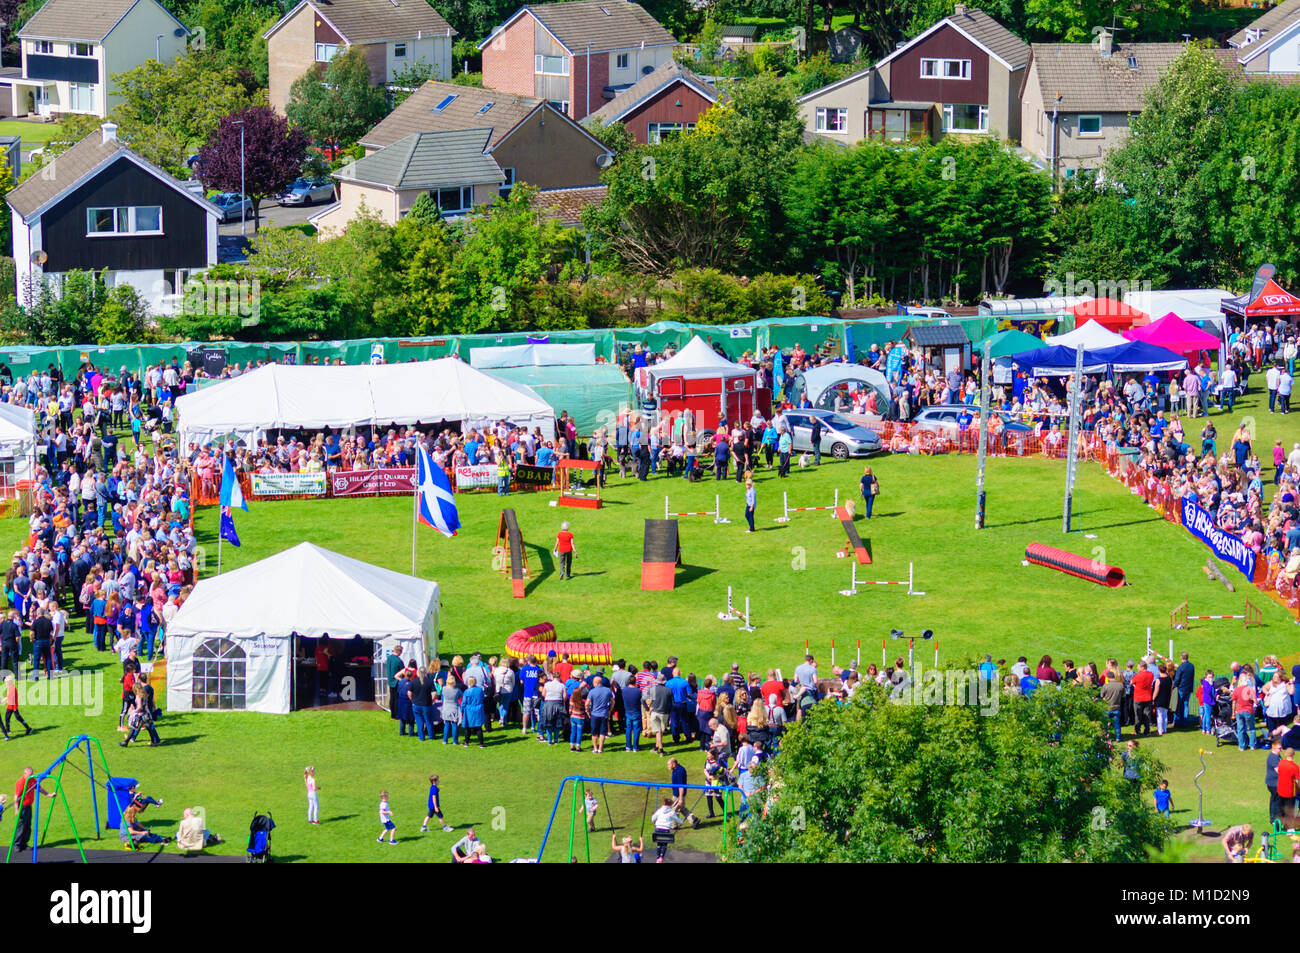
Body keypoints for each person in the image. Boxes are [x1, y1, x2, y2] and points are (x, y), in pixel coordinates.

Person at [12, 767, 48, 853]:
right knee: (21, 826)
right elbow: (16, 797)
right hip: (22, 807)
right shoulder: (21, 782)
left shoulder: (32, 780)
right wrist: (16, 809)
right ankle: (17, 844)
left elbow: (39, 788)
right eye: (30, 775)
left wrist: (48, 794)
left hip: (29, 806)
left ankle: (24, 844)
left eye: (32, 774)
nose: (31, 776)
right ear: (25, 774)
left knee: (28, 825)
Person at [587, 675, 613, 754]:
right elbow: (613, 701)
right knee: (602, 732)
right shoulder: (608, 690)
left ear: (596, 683)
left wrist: (587, 711)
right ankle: (600, 748)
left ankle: (595, 748)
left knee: (594, 732)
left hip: (594, 714)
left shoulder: (592, 691)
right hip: (604, 714)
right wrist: (610, 710)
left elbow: (587, 703)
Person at [650, 796, 681, 863]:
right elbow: (678, 820)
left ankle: (658, 858)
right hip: (666, 829)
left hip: (658, 828)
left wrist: (655, 822)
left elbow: (652, 819)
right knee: (664, 844)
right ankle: (661, 857)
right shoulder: (671, 812)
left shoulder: (659, 811)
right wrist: (681, 822)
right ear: (670, 805)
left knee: (659, 844)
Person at [1233, 672, 1258, 751]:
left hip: (1239, 711)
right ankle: (1252, 745)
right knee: (1251, 729)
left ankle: (1242, 746)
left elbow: (1234, 702)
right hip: (1248, 710)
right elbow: (1255, 701)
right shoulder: (1250, 689)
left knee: (1240, 729)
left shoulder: (1236, 690)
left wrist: (1233, 712)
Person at [3, 674, 32, 740]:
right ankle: (7, 730)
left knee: (18, 718)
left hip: (13, 707)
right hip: (10, 705)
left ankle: (28, 728)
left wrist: (2, 701)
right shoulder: (10, 687)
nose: (5, 683)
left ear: (10, 682)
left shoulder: (12, 688)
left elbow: (9, 697)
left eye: (6, 682)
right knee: (7, 717)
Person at [461, 675, 486, 748]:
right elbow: (482, 698)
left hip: (469, 710)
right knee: (478, 727)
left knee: (468, 727)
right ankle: (481, 744)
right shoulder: (480, 690)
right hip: (478, 709)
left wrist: (461, 710)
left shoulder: (467, 691)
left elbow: (464, 702)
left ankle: (466, 742)